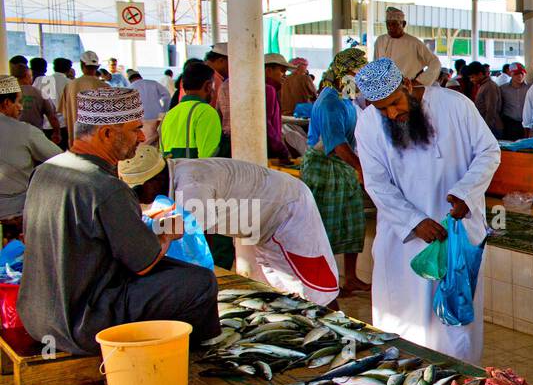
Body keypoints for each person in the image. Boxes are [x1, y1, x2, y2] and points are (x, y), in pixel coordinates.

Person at [18, 88, 219, 355]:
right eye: (135, 129)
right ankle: (197, 356)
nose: (143, 137)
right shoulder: (106, 187)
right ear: (107, 133)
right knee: (200, 282)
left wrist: (139, 221)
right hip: (82, 326)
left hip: (37, 319)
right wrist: (168, 233)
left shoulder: (46, 171)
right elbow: (144, 263)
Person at [353, 58, 500, 361]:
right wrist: (414, 221)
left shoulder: (455, 105)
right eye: (382, 109)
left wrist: (464, 194)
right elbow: (377, 183)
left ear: (407, 85)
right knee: (404, 321)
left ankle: (457, 382)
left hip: (456, 233)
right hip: (403, 239)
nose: (392, 114)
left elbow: (488, 151)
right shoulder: (369, 124)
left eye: (395, 103)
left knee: (455, 323)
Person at [119, 145, 339, 305]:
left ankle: (347, 334)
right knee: (280, 287)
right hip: (258, 220)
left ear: (154, 179)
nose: (137, 198)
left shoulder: (192, 185)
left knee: (313, 287)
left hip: (287, 211)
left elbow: (200, 246)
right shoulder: (172, 175)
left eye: (137, 191)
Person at [302, 47, 369, 293]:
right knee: (326, 226)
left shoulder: (346, 98)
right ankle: (326, 280)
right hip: (325, 168)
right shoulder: (330, 101)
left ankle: (350, 278)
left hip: (343, 168)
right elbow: (337, 144)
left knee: (353, 223)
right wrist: (361, 167)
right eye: (357, 73)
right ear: (344, 73)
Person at [0, 75, 62, 223]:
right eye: (19, 102)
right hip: (15, 214)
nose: (21, 108)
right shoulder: (23, 131)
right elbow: (60, 160)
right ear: (6, 103)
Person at [159, 62, 222, 159]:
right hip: (195, 172)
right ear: (208, 86)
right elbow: (209, 156)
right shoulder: (205, 111)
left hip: (172, 173)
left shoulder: (169, 114)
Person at [373, 8, 440, 88]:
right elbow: (378, 66)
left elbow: (435, 62)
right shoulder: (380, 41)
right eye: (388, 24)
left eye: (394, 24)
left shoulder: (414, 43)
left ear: (403, 24)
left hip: (408, 89)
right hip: (386, 89)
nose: (390, 28)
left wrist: (419, 81)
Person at [57, 51, 107, 145]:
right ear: (97, 67)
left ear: (82, 65)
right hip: (98, 144)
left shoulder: (70, 86)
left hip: (76, 142)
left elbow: (64, 113)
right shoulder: (106, 87)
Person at [13, 62, 59, 137]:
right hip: (35, 135)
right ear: (27, 76)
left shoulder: (6, 95)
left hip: (13, 134)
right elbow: (52, 117)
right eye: (31, 76)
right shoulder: (40, 93)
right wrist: (57, 133)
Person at [262, 53, 293, 162]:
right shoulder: (268, 89)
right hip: (268, 150)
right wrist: (281, 149)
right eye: (282, 71)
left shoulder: (270, 89)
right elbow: (266, 123)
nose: (285, 75)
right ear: (268, 71)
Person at [127, 70, 171, 145]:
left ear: (130, 80)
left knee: (145, 143)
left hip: (142, 120)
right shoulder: (153, 83)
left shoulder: (130, 87)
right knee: (159, 141)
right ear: (140, 77)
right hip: (158, 117)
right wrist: (164, 111)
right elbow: (167, 95)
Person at [466, 61, 504, 138]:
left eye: (472, 77)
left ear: (480, 74)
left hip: (492, 127)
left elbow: (491, 110)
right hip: (487, 126)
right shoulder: (483, 85)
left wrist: (485, 129)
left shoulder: (489, 86)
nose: (471, 80)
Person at [499, 63, 529, 141]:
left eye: (522, 73)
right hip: (509, 123)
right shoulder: (502, 89)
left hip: (526, 124)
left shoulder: (530, 88)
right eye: (516, 74)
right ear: (510, 74)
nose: (520, 76)